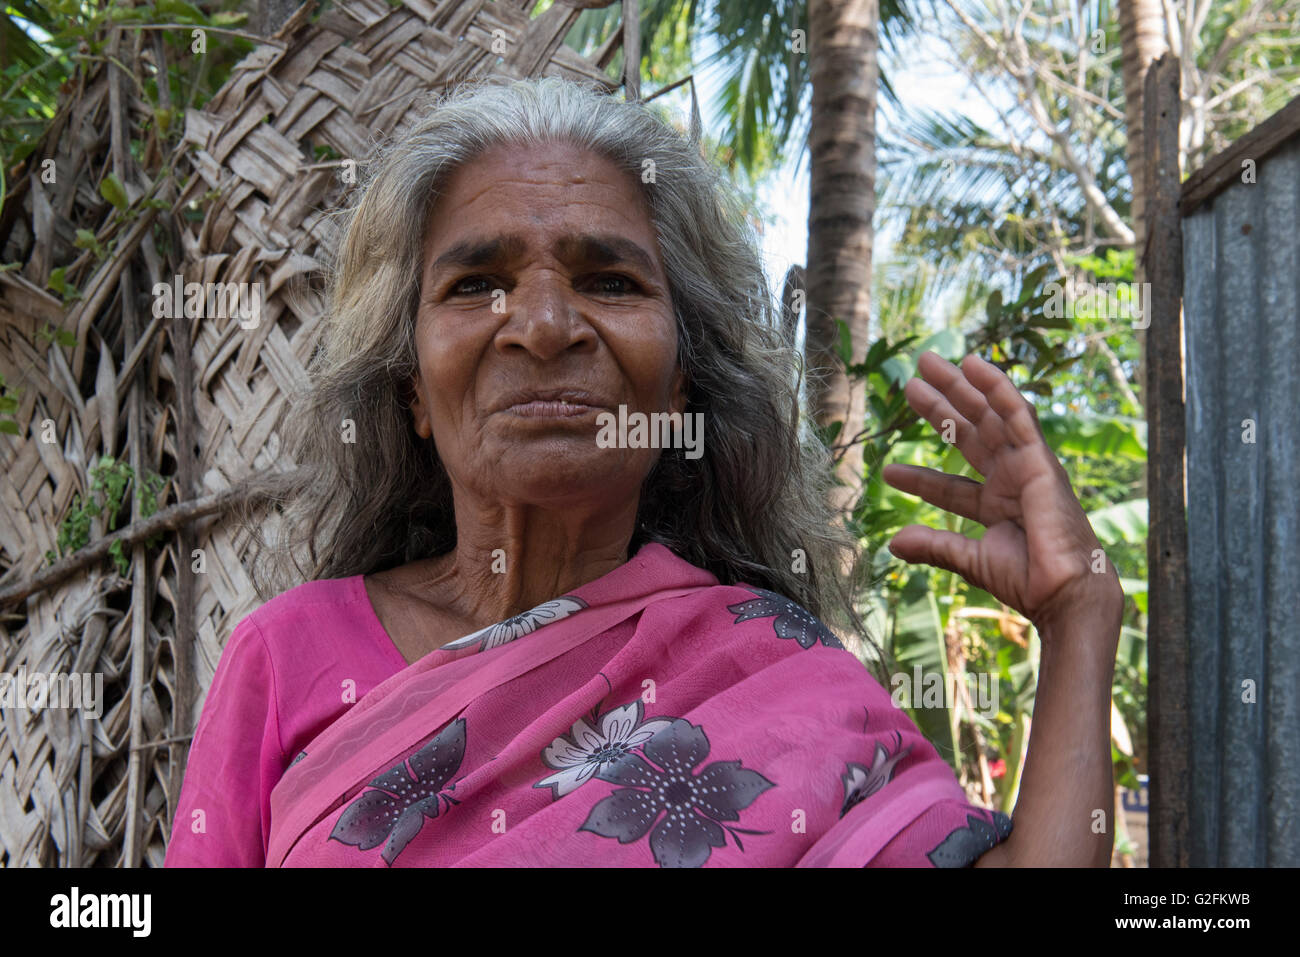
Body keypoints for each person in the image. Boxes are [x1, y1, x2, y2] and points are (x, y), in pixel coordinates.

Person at [164, 75, 1122, 868]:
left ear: (678, 390)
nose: (543, 327)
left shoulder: (773, 671)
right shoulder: (286, 657)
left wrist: (1080, 617)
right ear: (411, 388)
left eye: (610, 282)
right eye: (476, 285)